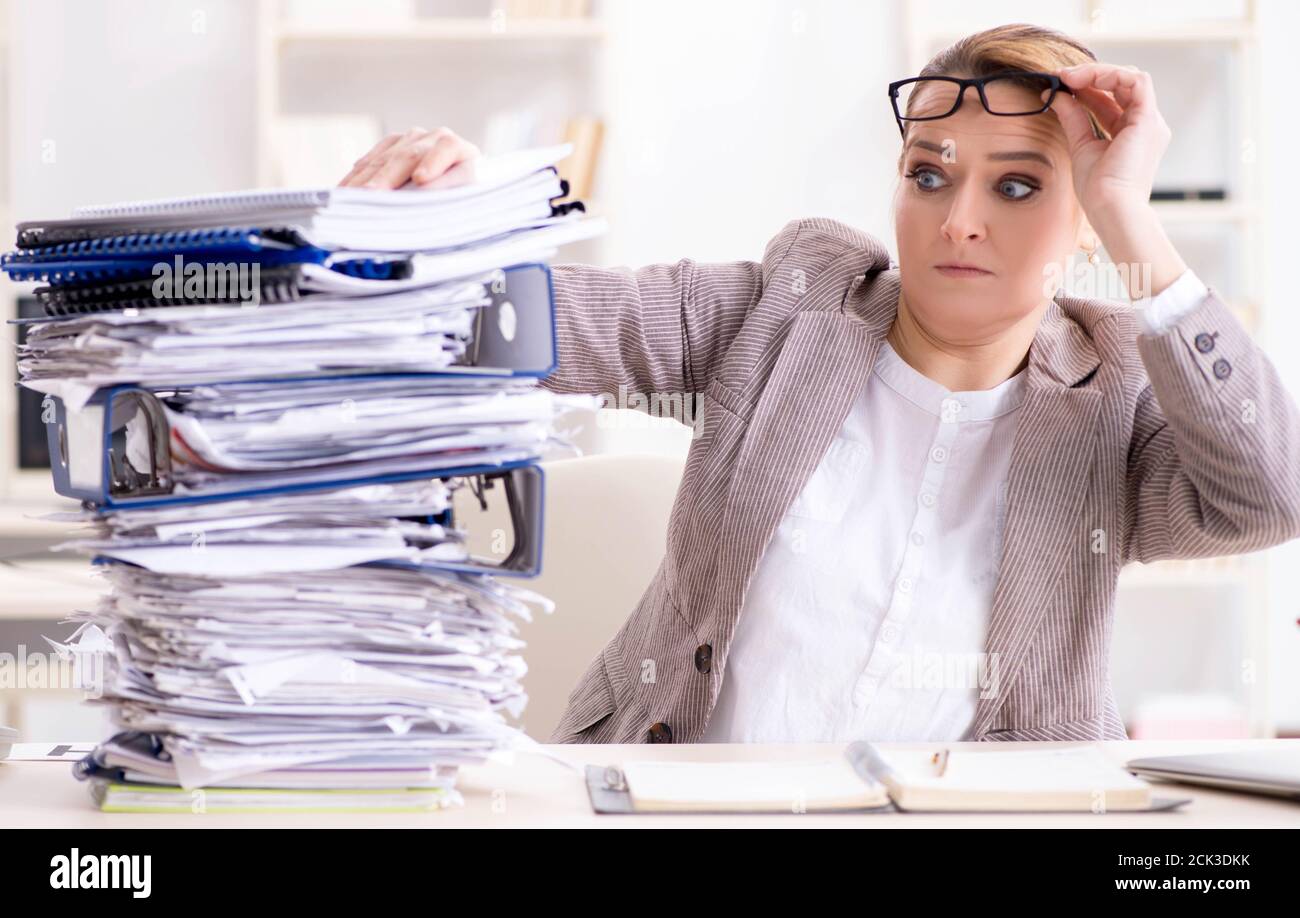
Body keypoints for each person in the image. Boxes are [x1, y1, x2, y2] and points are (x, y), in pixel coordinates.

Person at [340, 23, 1300, 744]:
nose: (959, 219)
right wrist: (449, 227)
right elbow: (539, 324)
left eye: (1016, 186)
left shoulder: (1115, 396)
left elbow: (1270, 494)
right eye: (930, 174)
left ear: (1086, 218)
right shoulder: (794, 304)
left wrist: (1131, 216)